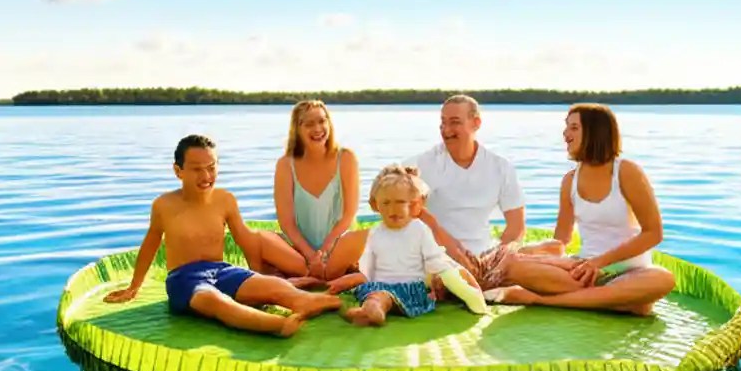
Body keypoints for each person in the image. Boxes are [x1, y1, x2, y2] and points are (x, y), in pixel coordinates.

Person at [102, 134, 341, 336]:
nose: (206, 176)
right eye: (196, 170)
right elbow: (151, 244)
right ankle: (274, 325)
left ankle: (304, 302)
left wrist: (257, 275)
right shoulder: (164, 205)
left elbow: (245, 239)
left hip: (222, 271)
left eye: (211, 167)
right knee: (217, 302)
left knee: (274, 286)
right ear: (178, 171)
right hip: (185, 280)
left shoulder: (225, 200)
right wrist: (134, 287)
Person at [488, 104, 676, 315]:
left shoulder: (626, 171)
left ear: (596, 132)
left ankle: (538, 299)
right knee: (512, 264)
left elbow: (653, 233)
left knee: (663, 279)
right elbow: (561, 240)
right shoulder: (570, 181)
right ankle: (619, 301)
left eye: (574, 127)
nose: (565, 134)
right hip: (581, 275)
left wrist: (599, 262)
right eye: (566, 127)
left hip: (631, 272)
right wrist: (531, 253)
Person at [327, 165, 487, 326]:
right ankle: (372, 309)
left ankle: (373, 308)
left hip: (410, 289)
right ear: (378, 204)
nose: (393, 209)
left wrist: (473, 296)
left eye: (400, 202)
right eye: (387, 202)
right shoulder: (374, 235)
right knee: (378, 296)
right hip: (383, 286)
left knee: (383, 295)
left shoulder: (420, 230)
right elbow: (367, 267)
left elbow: (447, 268)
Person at [404, 94, 526, 289]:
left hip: (484, 257)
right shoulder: (421, 165)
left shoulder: (500, 167)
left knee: (546, 259)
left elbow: (516, 226)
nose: (446, 130)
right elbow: (400, 210)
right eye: (443, 123)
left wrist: (497, 258)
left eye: (455, 122)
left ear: (476, 123)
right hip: (434, 257)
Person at [270, 99, 366, 281]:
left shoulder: (346, 158)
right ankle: (309, 275)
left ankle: (308, 276)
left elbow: (349, 215)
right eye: (309, 124)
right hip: (299, 253)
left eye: (322, 121)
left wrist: (324, 251)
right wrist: (310, 255)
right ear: (297, 129)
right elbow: (287, 223)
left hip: (339, 249)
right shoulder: (285, 165)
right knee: (260, 239)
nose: (317, 129)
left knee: (372, 235)